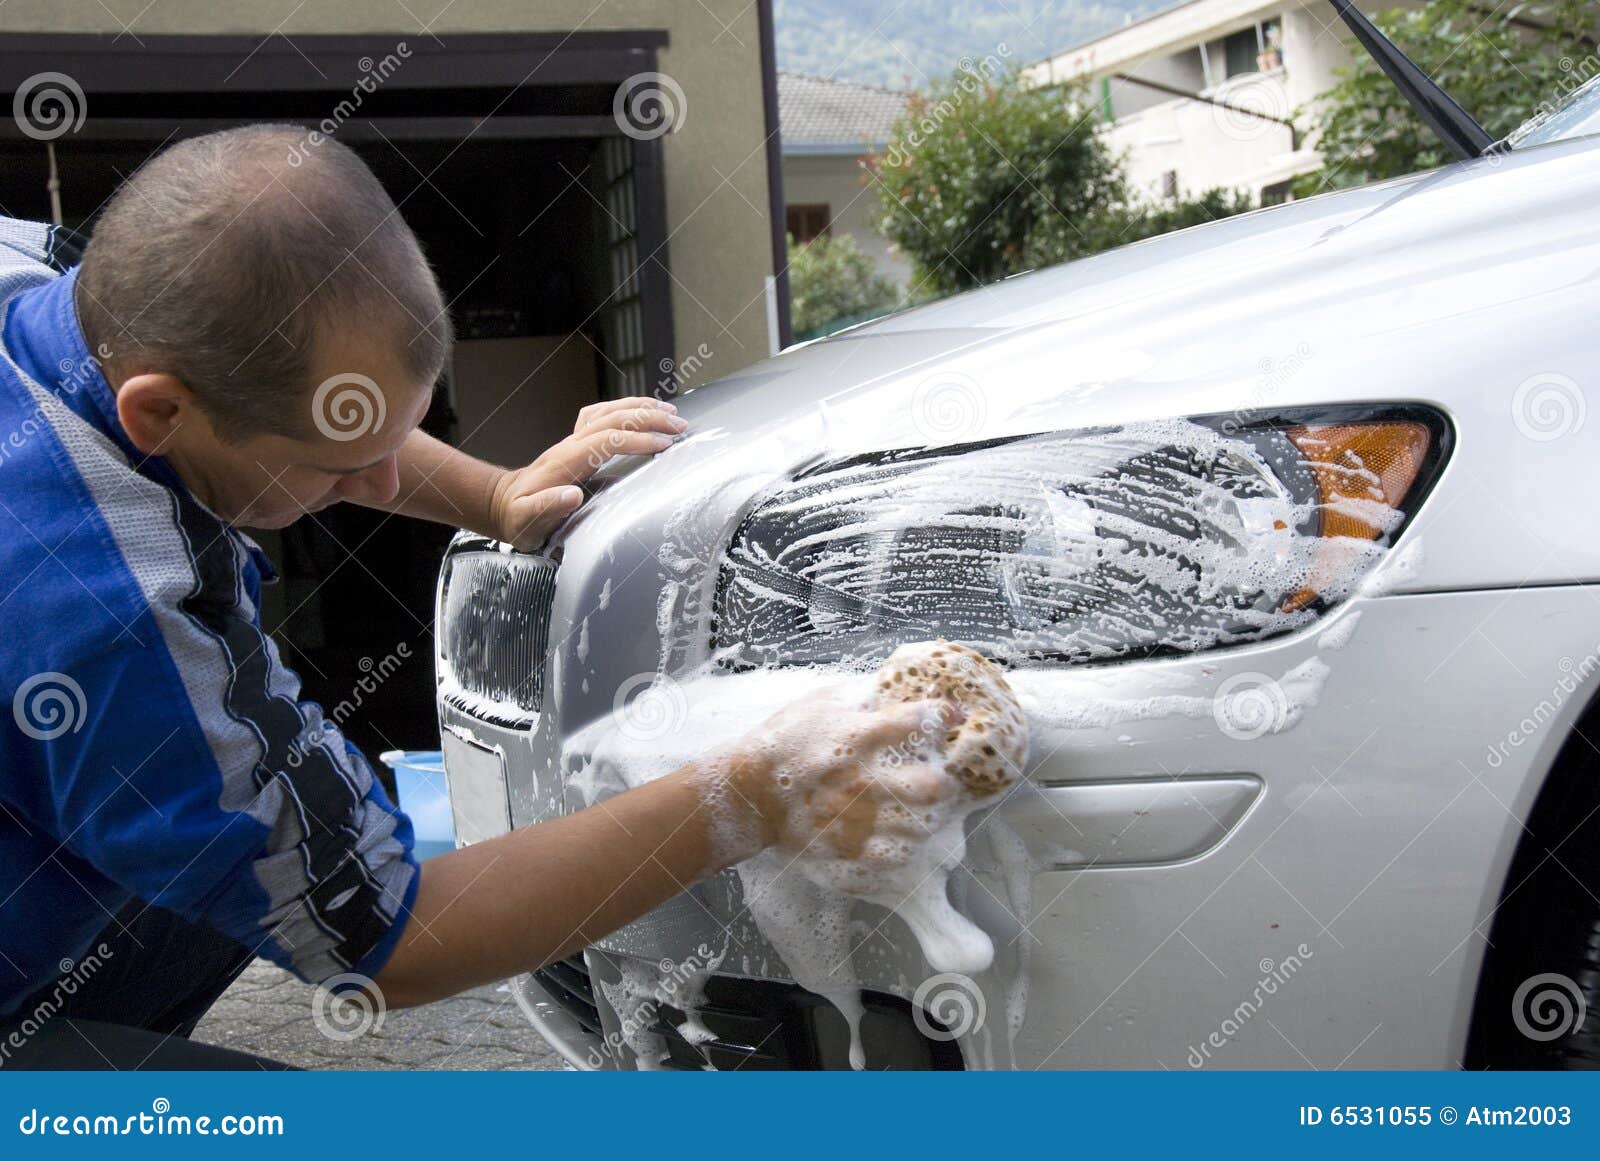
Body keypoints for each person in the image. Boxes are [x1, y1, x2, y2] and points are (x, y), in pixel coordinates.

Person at [0, 126, 960, 1068]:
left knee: (226, 832)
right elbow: (392, 939)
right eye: (337, 468)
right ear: (159, 411)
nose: (382, 488)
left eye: (391, 435)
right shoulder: (107, 613)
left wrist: (496, 495)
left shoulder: (40, 272)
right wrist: (749, 794)